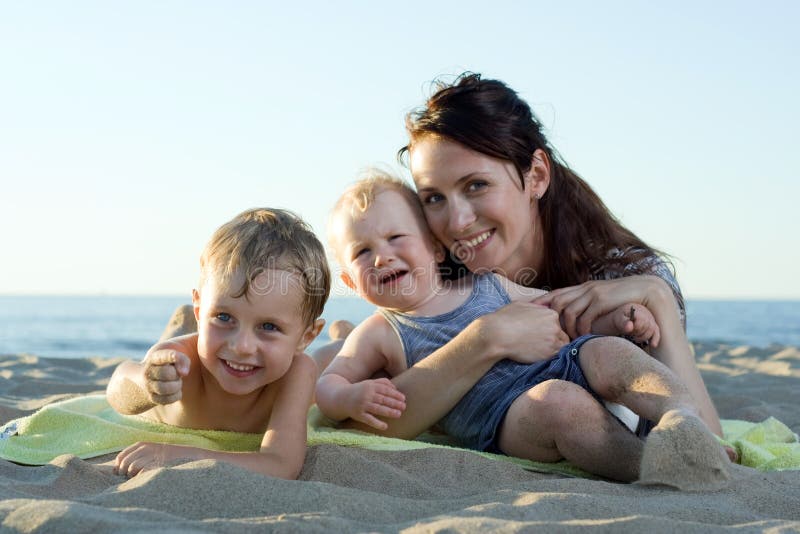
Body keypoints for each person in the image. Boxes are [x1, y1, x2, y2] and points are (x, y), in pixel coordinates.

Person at [312, 72, 724, 444]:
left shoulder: (620, 274)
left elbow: (705, 437)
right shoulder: (434, 276)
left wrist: (656, 296)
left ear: (537, 176)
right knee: (340, 353)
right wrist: (486, 338)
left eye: (476, 185)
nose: (456, 221)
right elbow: (360, 425)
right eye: (434, 198)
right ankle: (342, 333)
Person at [315, 174, 728, 482]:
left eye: (395, 238)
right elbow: (330, 381)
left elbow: (560, 309)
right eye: (362, 252)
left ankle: (683, 422)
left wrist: (615, 320)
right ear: (351, 281)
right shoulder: (380, 331)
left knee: (609, 352)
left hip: (564, 360)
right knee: (559, 403)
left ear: (435, 247)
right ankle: (650, 464)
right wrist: (349, 397)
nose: (381, 258)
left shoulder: (487, 283)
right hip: (504, 415)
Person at [106, 208, 329, 479]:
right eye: (224, 317)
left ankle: (342, 336)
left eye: (269, 327)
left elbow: (280, 464)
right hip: (179, 361)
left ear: (306, 337)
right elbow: (117, 390)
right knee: (171, 344)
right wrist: (146, 380)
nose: (242, 346)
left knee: (329, 369)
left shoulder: (298, 372)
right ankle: (181, 326)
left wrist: (183, 455)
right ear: (200, 310)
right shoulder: (177, 363)